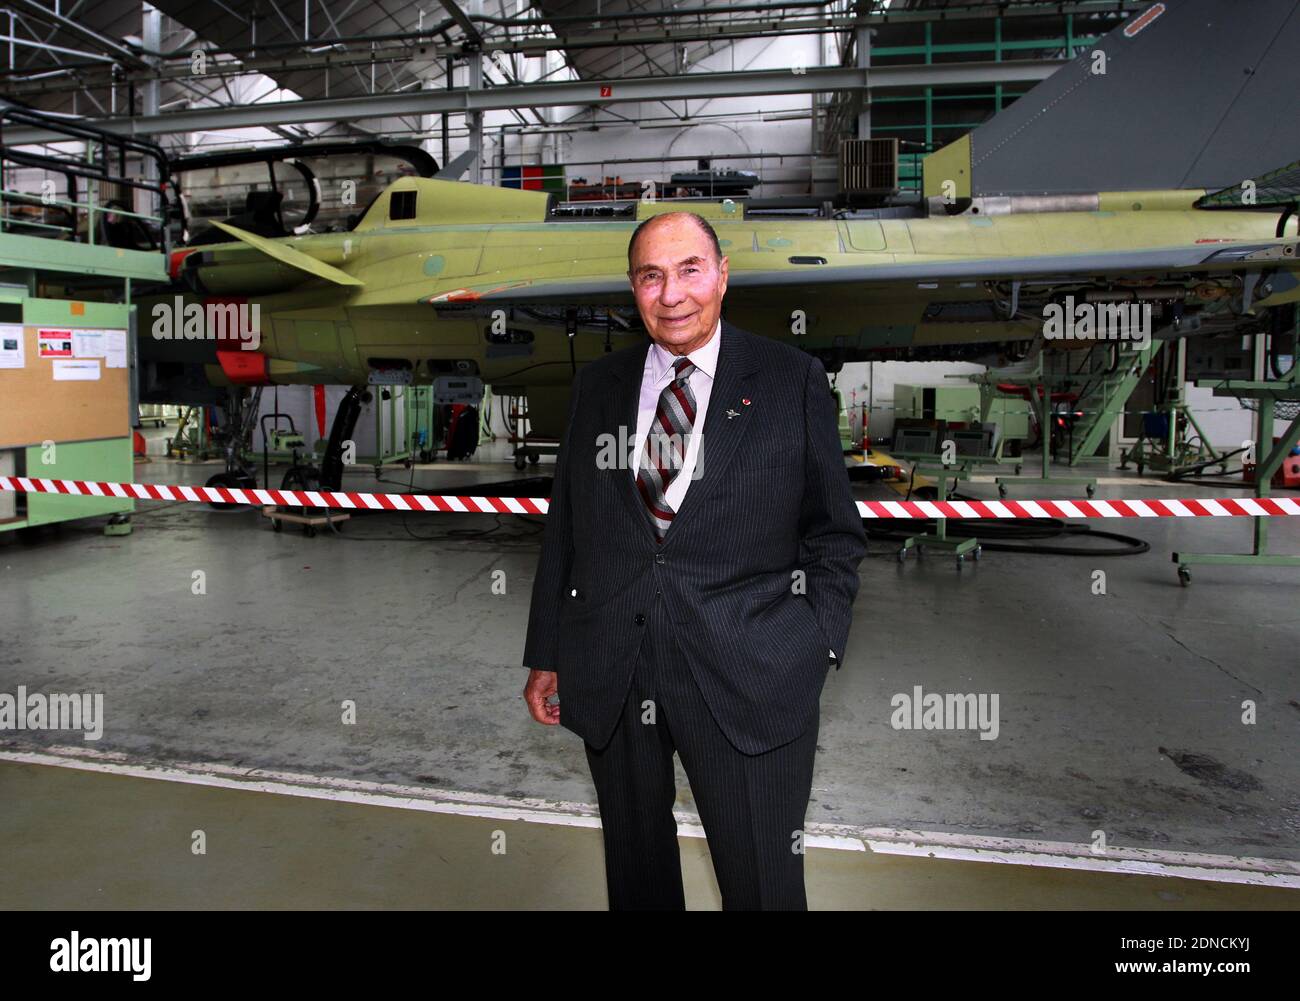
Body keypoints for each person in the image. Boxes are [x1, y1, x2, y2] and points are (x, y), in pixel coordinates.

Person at [522, 210, 866, 909]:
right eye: (651, 276)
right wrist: (548, 649)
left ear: (722, 276)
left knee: (762, 882)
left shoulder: (788, 379)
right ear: (633, 288)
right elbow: (567, 528)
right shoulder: (599, 387)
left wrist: (815, 641)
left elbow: (834, 533)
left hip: (749, 671)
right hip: (617, 667)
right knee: (638, 875)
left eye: (689, 270)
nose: (671, 294)